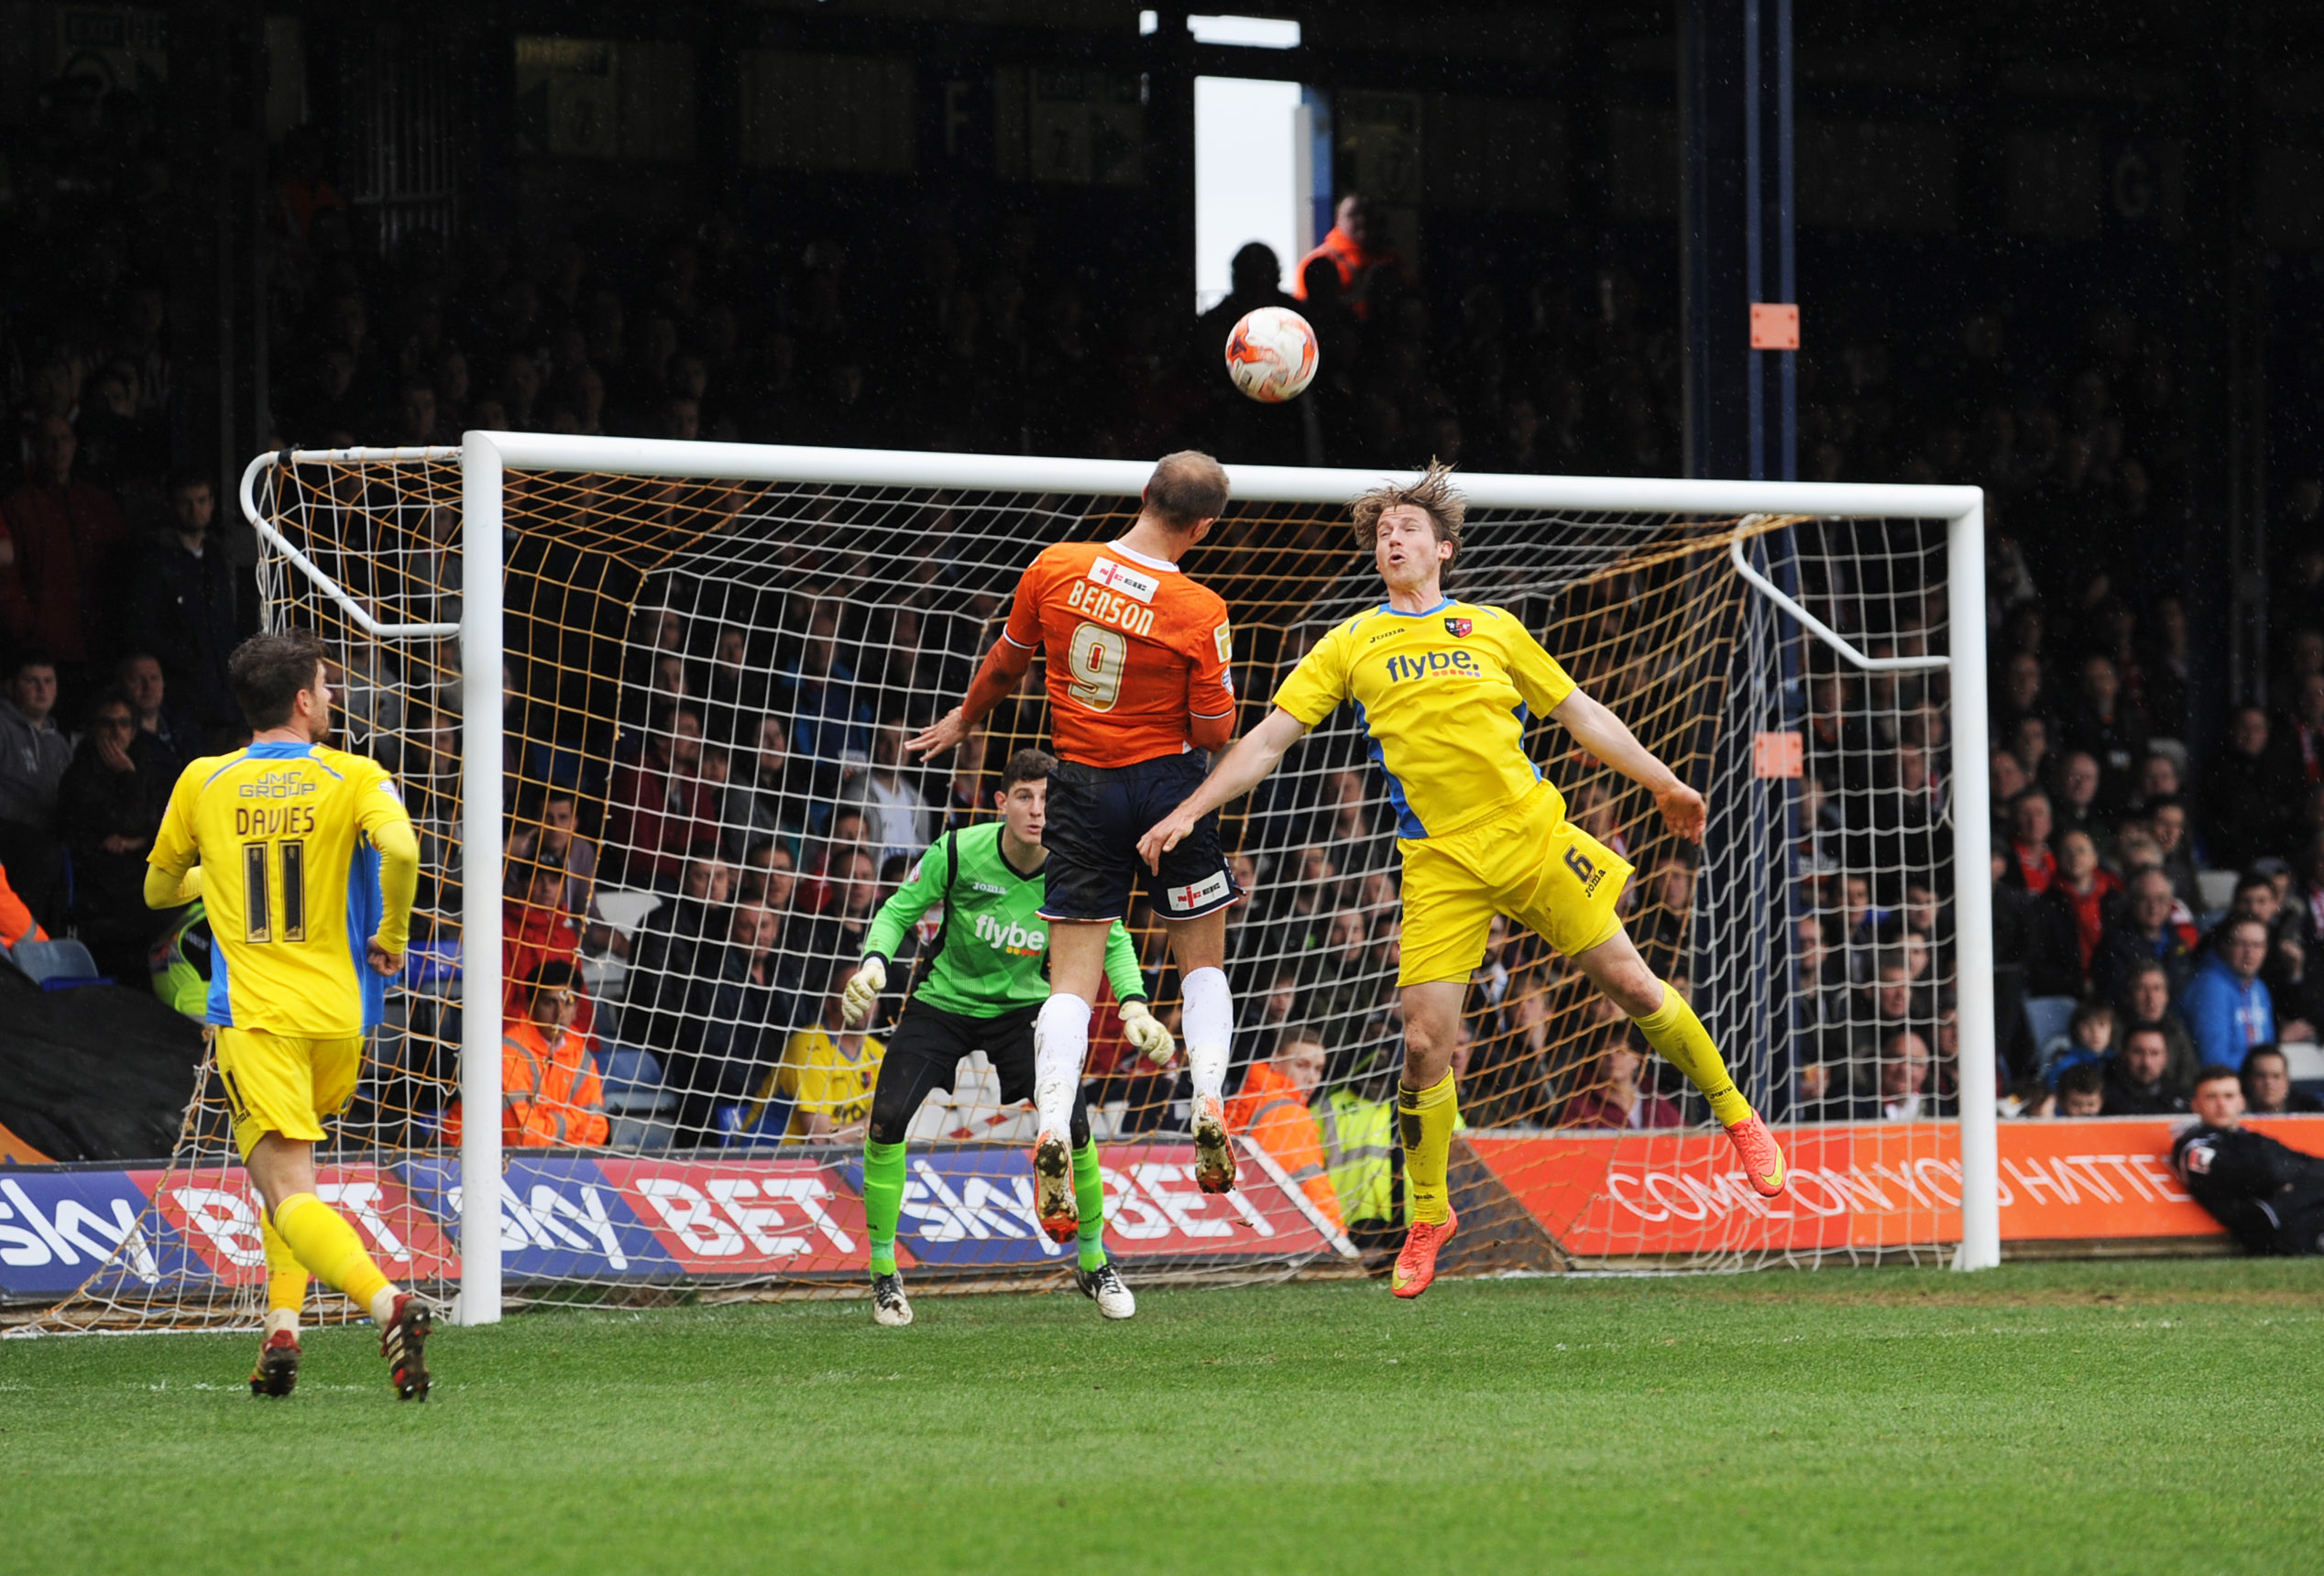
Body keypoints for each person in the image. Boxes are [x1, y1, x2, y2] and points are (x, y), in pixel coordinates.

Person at [1138, 462, 1786, 1300]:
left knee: (1631, 983)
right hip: (1439, 862)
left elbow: (1581, 714)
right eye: (1380, 533)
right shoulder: (1352, 641)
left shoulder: (1493, 628)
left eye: (1406, 528)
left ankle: (1737, 1116)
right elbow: (1267, 742)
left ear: (1442, 547)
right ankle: (1431, 1214)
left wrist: (1662, 782)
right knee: (1420, 1045)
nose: (1390, 539)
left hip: (1531, 836)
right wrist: (1191, 809)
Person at [908, 451, 1243, 1240]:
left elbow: (1007, 663)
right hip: (1168, 790)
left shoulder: (1055, 566)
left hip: (1081, 787)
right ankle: (1208, 1103)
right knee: (1202, 965)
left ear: (1140, 496)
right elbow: (1215, 731)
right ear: (1202, 526)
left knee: (1072, 980)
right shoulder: (1199, 609)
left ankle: (1053, 1124)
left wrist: (964, 719)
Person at [142, 629, 432, 1401]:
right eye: (328, 687)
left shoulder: (206, 779)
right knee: (288, 1185)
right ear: (303, 701)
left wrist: (220, 870)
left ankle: (387, 1304)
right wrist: (393, 935)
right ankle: (282, 1327)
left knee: (288, 1188)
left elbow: (157, 892)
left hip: (260, 1018)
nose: (334, 699)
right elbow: (401, 853)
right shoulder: (354, 773)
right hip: (341, 1021)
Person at [838, 749, 1166, 1325]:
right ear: (1001, 803)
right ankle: (885, 1273)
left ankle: (1093, 1262)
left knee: (1075, 1126)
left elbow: (1110, 939)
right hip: (943, 1003)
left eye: (1048, 799)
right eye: (1025, 797)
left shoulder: (1078, 864)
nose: (1038, 811)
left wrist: (1135, 1004)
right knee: (886, 1119)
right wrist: (872, 962)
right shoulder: (960, 850)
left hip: (1023, 1012)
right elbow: (896, 910)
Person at [444, 960, 608, 1148]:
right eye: (550, 1003)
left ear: (577, 1008)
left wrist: (548, 1129)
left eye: (567, 1003)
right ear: (530, 1006)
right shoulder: (507, 1053)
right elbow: (525, 1139)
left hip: (545, 1162)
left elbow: (598, 1131)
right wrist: (574, 1121)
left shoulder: (581, 1055)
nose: (559, 1013)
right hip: (463, 1159)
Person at [125, 475, 241, 739]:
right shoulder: (155, 559)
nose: (195, 510)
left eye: (201, 501)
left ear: (212, 503)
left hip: (221, 687)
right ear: (172, 506)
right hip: (180, 692)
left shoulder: (216, 555)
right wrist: (186, 659)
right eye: (186, 502)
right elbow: (143, 628)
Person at [2173, 1067, 2324, 1255]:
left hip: (2292, 1207)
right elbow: (2265, 1173)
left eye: (2228, 1096)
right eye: (2212, 1097)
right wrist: (2291, 1177)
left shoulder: (2253, 1138)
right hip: (2262, 1221)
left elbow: (2302, 1162)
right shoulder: (2195, 1148)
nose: (2221, 1105)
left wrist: (2291, 1178)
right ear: (2195, 1105)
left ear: (2241, 1102)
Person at [1225, 1030, 1343, 1231]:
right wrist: (1337, 1235)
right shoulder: (1286, 1112)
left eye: (1318, 1069)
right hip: (1278, 1230)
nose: (1312, 1078)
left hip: (1238, 1224)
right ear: (1276, 1060)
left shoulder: (1243, 1098)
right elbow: (1310, 1184)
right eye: (1301, 1066)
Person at [0, 652, 71, 925]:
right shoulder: (4, 728)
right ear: (12, 686)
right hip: (12, 836)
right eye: (32, 681)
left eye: (48, 681)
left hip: (52, 837)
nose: (42, 690)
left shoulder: (59, 742)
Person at [2177, 918, 2280, 1070]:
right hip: (2220, 1087)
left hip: (2253, 1084)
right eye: (2241, 944)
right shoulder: (2209, 987)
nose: (2249, 953)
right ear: (2224, 946)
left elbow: (2268, 1049)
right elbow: (2214, 1063)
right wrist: (2259, 1070)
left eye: (2257, 945)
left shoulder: (2259, 987)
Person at [1561, 1035, 1683, 1130]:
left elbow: (1685, 1140)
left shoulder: (1656, 1101)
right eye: (1605, 1052)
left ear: (1637, 1059)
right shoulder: (1581, 1107)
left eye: (1621, 1051)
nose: (1612, 1058)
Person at [2099, 1022, 2189, 1115]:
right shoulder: (2103, 1099)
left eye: (2154, 1053)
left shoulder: (2180, 1099)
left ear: (2166, 1057)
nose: (2146, 1062)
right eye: (2138, 1052)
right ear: (2124, 1055)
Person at [2242, 1045, 2324, 1114]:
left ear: (2286, 1082)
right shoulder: (2235, 1110)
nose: (2269, 1083)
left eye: (2276, 1076)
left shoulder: (2310, 1110)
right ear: (2248, 1080)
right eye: (2261, 1076)